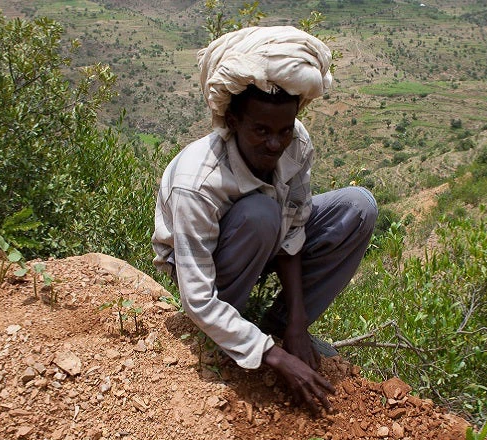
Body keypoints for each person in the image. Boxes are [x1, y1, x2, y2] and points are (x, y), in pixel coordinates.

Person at [152, 26, 377, 412]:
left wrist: (296, 325)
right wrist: (271, 355)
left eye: (283, 130)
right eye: (260, 131)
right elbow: (198, 299)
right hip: (214, 266)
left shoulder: (296, 143)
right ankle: (236, 331)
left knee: (358, 206)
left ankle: (276, 322)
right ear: (234, 121)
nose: (275, 144)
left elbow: (293, 230)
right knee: (260, 213)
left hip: (267, 237)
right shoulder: (197, 183)